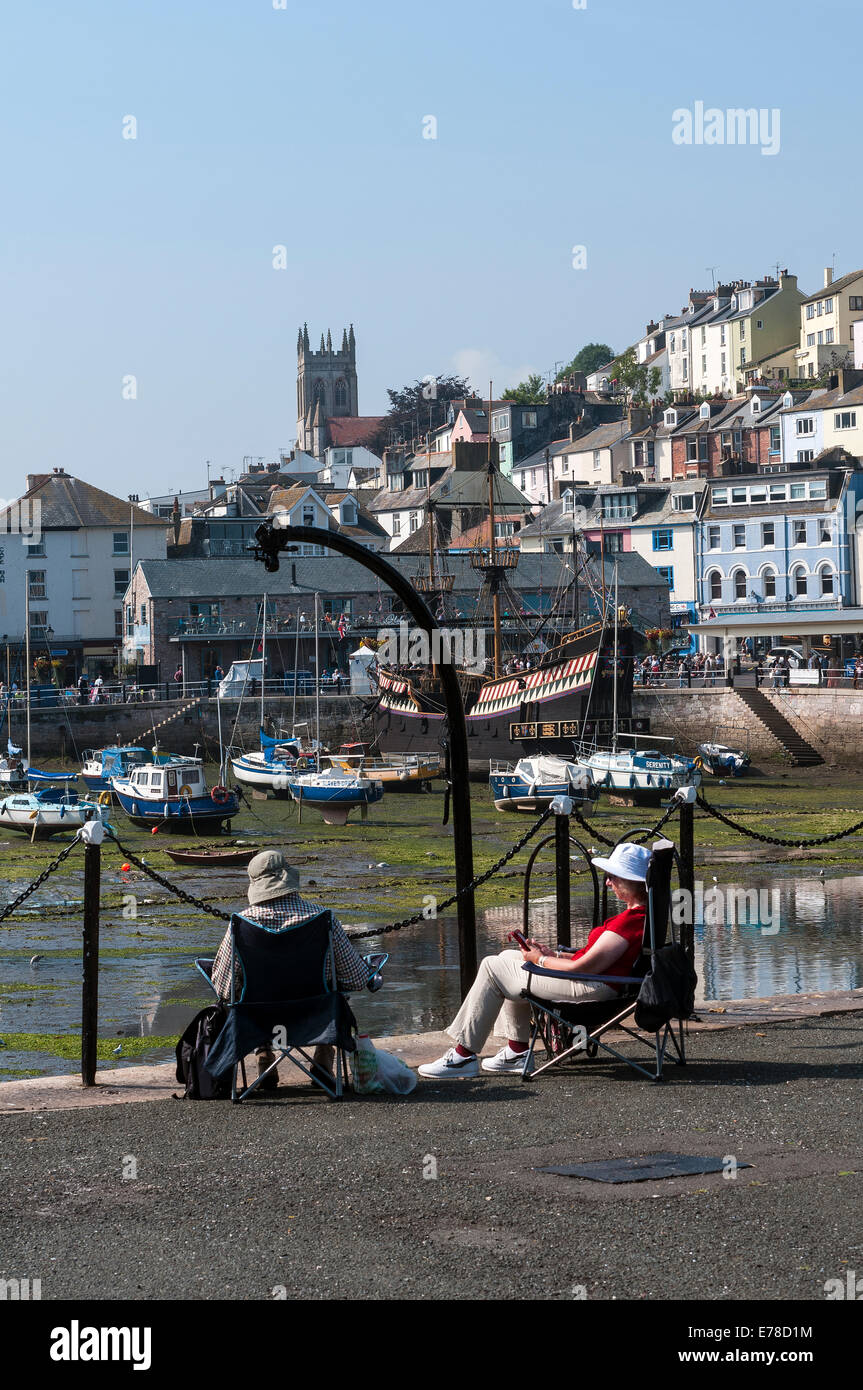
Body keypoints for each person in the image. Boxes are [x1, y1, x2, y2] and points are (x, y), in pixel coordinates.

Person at [418, 842, 651, 1078]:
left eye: (612, 877)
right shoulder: (639, 917)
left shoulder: (628, 923)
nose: (608, 882)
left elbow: (582, 966)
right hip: (599, 983)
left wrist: (539, 960)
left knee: (492, 967)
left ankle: (463, 1056)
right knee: (508, 958)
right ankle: (516, 1052)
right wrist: (552, 955)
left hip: (591, 988)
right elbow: (592, 958)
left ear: (631, 881)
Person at [211, 850, 370, 1090]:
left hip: (257, 1023)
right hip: (315, 1018)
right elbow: (357, 979)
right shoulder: (323, 919)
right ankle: (323, 1061)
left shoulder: (240, 924)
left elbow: (224, 988)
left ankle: (264, 1057)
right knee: (334, 990)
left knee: (247, 993)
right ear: (289, 879)